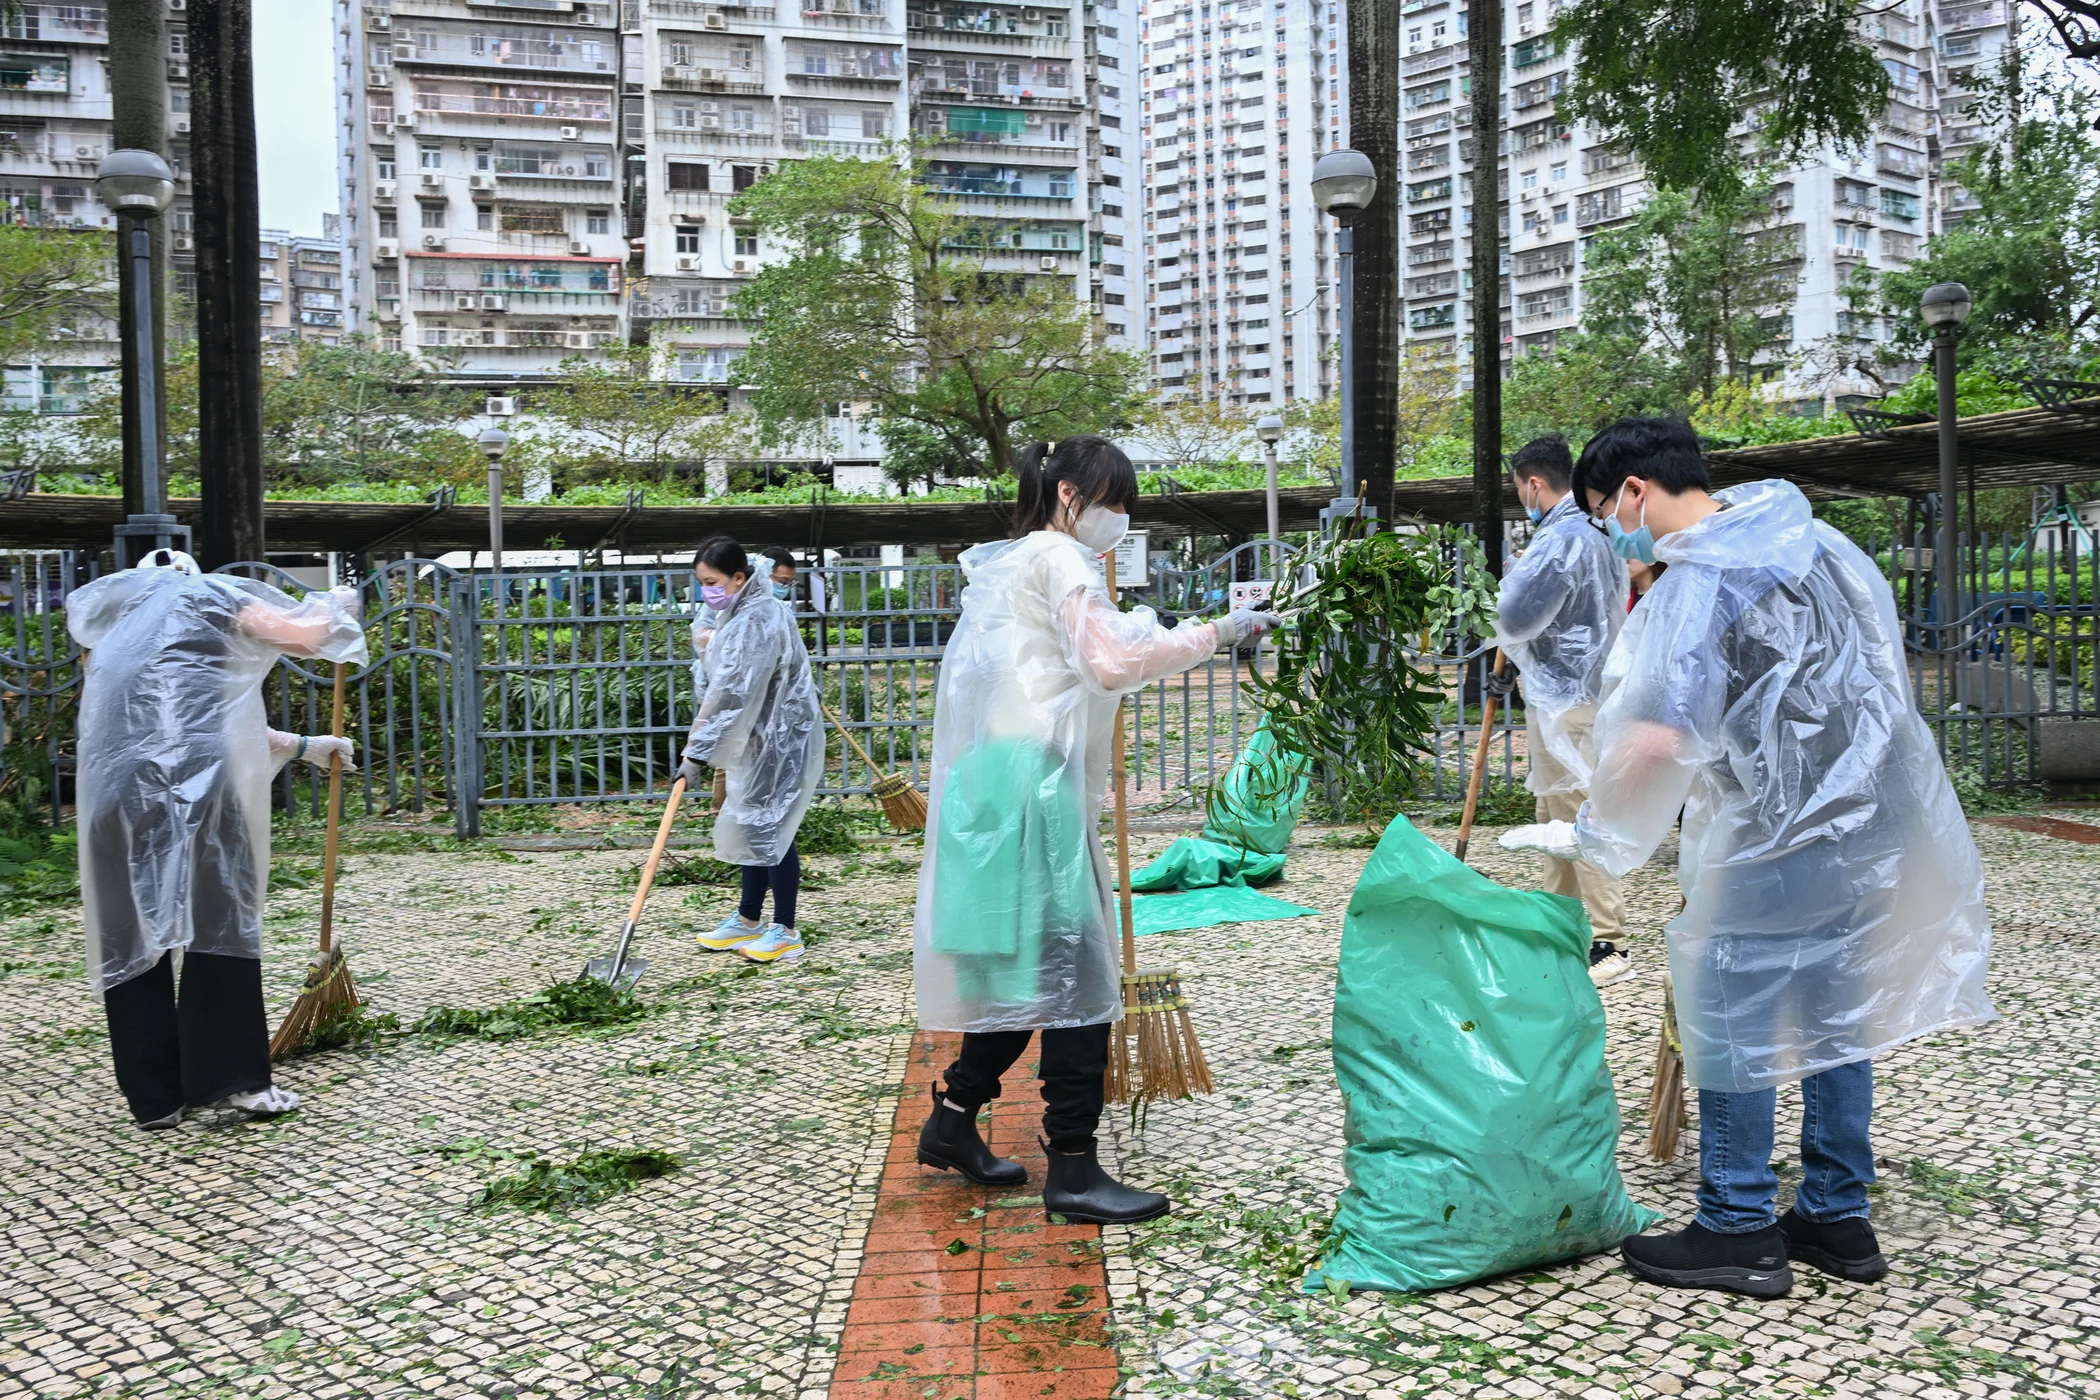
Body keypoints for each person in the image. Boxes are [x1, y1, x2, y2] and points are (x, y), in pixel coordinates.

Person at [1500, 417, 1995, 1298]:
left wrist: (1597, 834)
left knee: (1728, 1003)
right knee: (1838, 1009)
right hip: (1869, 828)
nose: (1617, 536)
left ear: (1636, 494)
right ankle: (1839, 1218)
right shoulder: (1824, 546)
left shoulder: (1702, 581)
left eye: (1607, 512)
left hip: (1767, 834)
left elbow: (1657, 739)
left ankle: (1737, 1224)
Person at [911, 435, 1280, 1223]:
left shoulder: (1006, 562)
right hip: (1033, 789)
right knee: (1077, 977)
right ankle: (1073, 1167)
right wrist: (1220, 633)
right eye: (1113, 502)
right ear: (1071, 495)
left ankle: (950, 1121)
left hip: (992, 780)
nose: (1120, 519)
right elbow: (1110, 662)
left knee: (1024, 970)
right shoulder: (1062, 559)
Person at [67, 549, 367, 1128]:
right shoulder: (210, 596)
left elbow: (183, 718)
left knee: (129, 940)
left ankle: (156, 1101)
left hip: (113, 803)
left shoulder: (117, 634)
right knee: (219, 925)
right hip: (201, 798)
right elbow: (304, 639)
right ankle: (236, 1081)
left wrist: (305, 747)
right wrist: (337, 607)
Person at [1490, 433, 1632, 988]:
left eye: (1519, 489)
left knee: (1580, 818)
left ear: (1534, 483)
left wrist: (1508, 583)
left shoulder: (1563, 536)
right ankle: (1560, 926)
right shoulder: (1593, 529)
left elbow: (1516, 617)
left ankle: (1609, 940)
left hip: (1569, 699)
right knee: (1553, 819)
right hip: (1572, 694)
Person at [680, 536, 824, 965]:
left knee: (773, 827)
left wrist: (696, 753)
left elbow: (731, 693)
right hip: (755, 739)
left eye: (713, 581)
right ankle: (748, 918)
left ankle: (784, 929)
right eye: (701, 582)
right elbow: (713, 671)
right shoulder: (737, 612)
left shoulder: (759, 619)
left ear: (739, 578)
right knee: (750, 824)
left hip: (781, 738)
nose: (707, 590)